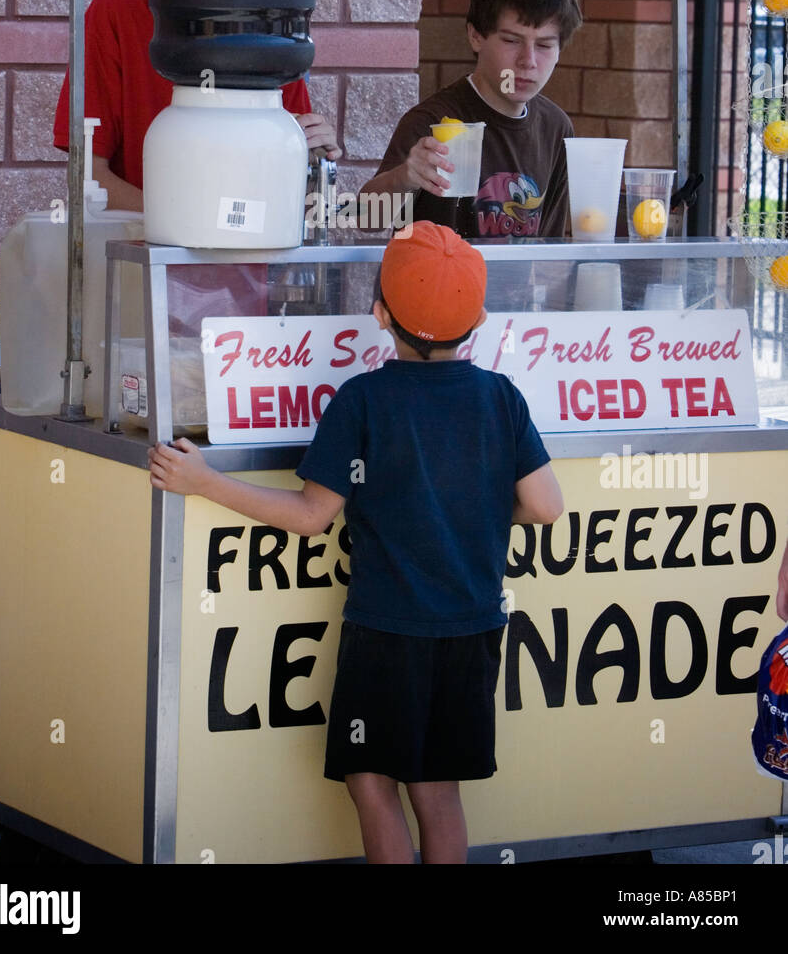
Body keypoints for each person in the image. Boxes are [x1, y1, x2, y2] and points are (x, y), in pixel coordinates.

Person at [148, 220, 564, 864]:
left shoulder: (363, 401)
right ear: (478, 322)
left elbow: (313, 515)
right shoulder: (499, 397)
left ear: (378, 314)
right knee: (438, 788)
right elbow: (545, 506)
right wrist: (466, 510)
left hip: (388, 631)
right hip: (474, 629)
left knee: (371, 780)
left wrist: (205, 481)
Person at [53, 0, 341, 211]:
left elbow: (295, 199)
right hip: (139, 261)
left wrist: (314, 158)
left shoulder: (271, 27)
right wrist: (191, 225)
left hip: (248, 267)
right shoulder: (117, 11)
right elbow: (86, 177)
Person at [358, 0, 582, 239]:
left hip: (514, 285)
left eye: (545, 45)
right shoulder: (431, 121)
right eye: (512, 41)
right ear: (476, 36)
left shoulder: (556, 128)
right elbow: (365, 219)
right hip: (428, 281)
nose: (529, 61)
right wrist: (405, 177)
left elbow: (548, 247)